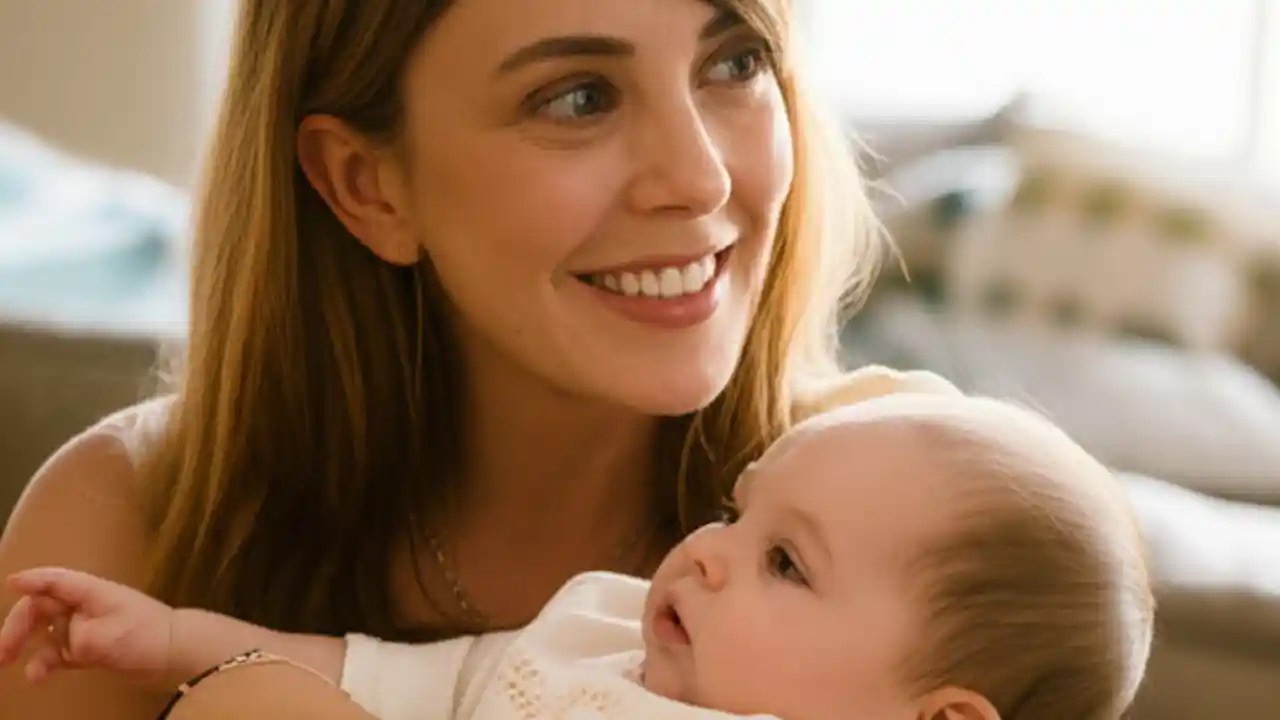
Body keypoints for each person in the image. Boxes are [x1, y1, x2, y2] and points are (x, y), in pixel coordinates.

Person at [0, 0, 958, 716]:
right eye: (578, 97)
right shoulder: (125, 532)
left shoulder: (938, 527)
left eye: (737, 59)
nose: (700, 176)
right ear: (366, 185)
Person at [1, 394, 1155, 720]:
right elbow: (374, 674)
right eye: (733, 514)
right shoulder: (593, 631)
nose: (705, 556)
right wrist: (172, 640)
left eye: (785, 565)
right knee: (256, 700)